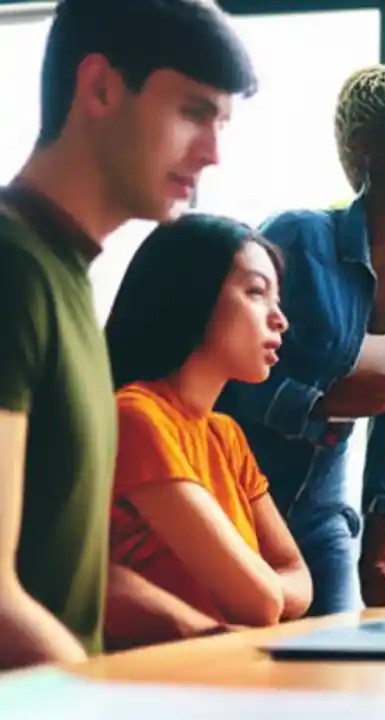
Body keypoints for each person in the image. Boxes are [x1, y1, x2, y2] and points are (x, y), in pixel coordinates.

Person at [0, 0, 255, 669]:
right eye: (194, 112)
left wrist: (211, 643)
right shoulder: (11, 269)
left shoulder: (68, 275)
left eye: (221, 122)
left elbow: (63, 565)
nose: (214, 153)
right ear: (100, 88)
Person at [216, 65, 385, 615]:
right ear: (367, 149)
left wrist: (378, 566)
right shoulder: (298, 239)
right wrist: (323, 404)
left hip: (321, 511)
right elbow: (228, 374)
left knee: (334, 667)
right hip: (232, 494)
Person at [102, 215, 310, 647]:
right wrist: (269, 592)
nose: (280, 319)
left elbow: (298, 580)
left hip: (220, 666)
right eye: (256, 292)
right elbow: (259, 603)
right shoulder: (137, 416)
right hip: (151, 683)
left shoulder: (225, 434)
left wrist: (269, 592)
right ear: (191, 296)